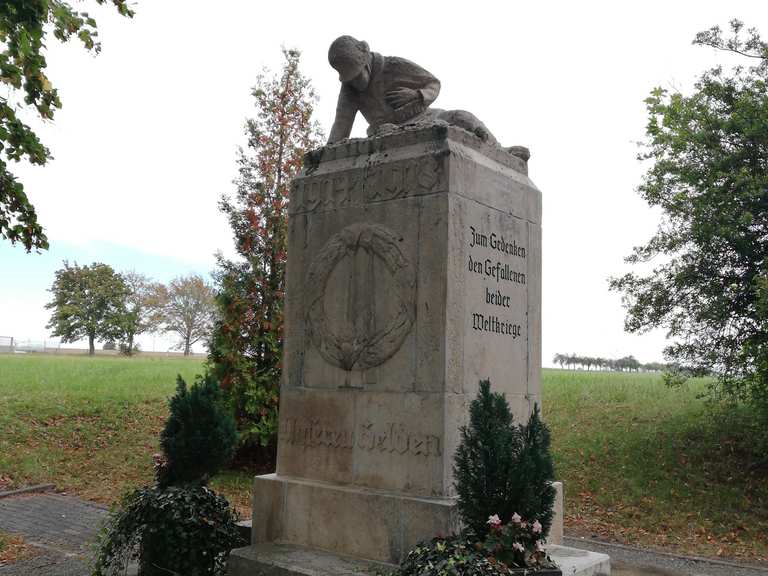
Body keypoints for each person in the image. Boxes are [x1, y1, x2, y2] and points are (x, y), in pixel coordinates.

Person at [326, 35, 505, 150]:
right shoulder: (349, 90)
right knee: (440, 134)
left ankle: (499, 151)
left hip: (423, 117)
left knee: (463, 117)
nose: (355, 82)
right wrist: (323, 155)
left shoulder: (393, 66)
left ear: (366, 63)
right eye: (350, 79)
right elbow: (341, 126)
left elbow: (433, 83)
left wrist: (417, 95)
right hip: (386, 132)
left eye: (357, 75)